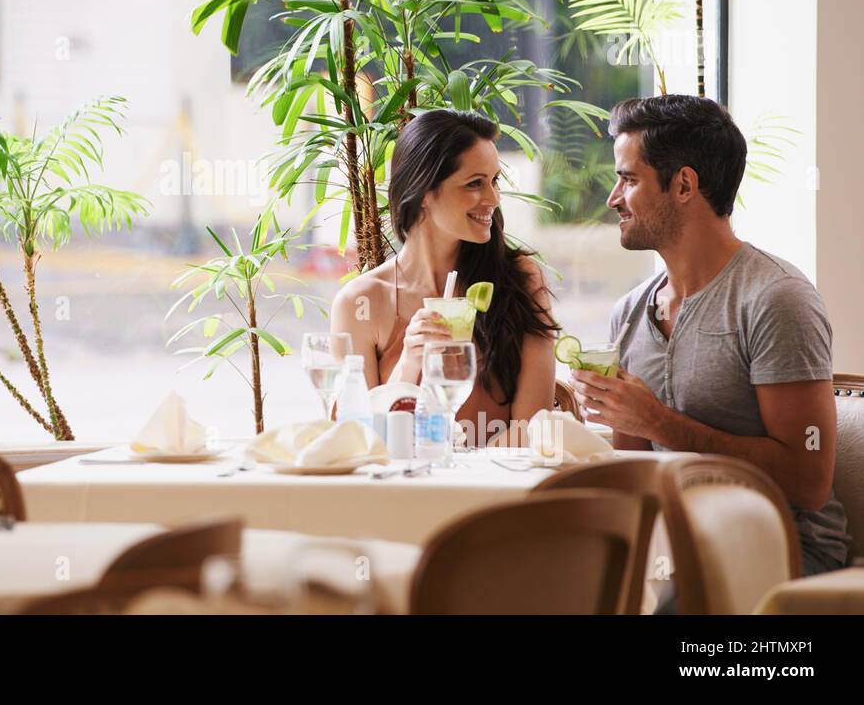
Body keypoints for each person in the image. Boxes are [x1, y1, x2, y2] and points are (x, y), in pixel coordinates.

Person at [572, 94, 850, 575]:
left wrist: (658, 422)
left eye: (628, 179)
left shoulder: (776, 300)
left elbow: (808, 481)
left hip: (784, 548)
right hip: (673, 543)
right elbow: (634, 466)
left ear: (683, 184)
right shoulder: (630, 313)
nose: (613, 199)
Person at [331, 109, 558, 446]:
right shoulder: (360, 302)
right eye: (474, 184)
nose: (493, 199)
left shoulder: (520, 280)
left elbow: (533, 427)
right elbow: (362, 440)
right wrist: (410, 360)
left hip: (497, 485)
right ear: (423, 191)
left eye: (494, 181)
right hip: (404, 490)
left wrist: (460, 472)